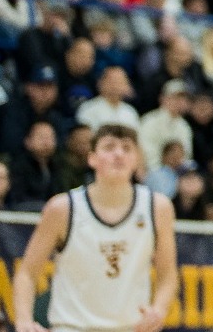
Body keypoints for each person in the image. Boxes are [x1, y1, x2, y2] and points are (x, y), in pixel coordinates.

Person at [11, 123, 179, 332]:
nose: (118, 154)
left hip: (131, 327)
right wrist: (23, 320)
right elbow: (27, 272)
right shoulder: (63, 207)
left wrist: (159, 309)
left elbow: (168, 275)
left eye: (127, 148)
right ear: (92, 158)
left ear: (137, 159)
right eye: (109, 147)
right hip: (72, 327)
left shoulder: (158, 207)